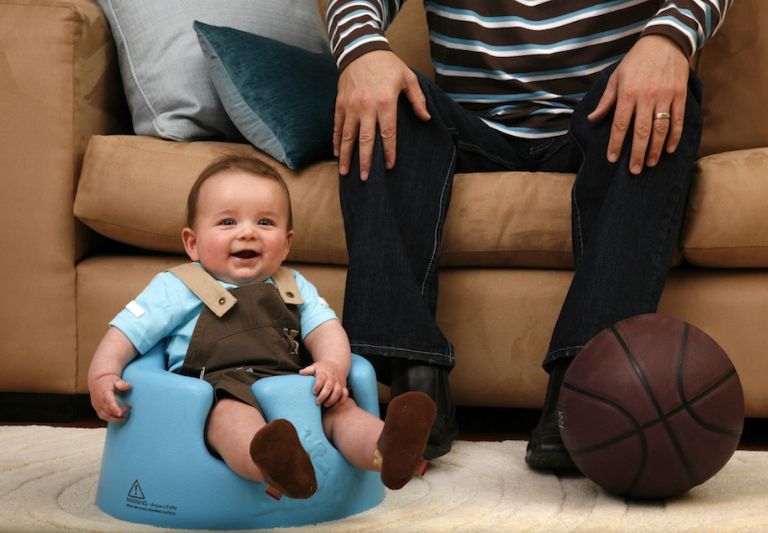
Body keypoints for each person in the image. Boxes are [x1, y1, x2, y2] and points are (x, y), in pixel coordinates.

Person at [325, 0, 731, 465]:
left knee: (666, 99)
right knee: (379, 92)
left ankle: (585, 385)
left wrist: (668, 40)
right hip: (471, 126)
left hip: (606, 116)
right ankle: (413, 380)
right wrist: (362, 51)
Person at [88, 156, 436, 498]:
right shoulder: (176, 287)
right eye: (227, 222)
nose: (248, 233)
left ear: (286, 244)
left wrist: (333, 367)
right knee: (230, 422)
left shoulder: (294, 285)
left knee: (341, 411)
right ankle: (276, 467)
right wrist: (103, 376)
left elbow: (327, 331)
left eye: (265, 223)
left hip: (295, 384)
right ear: (192, 243)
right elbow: (125, 334)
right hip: (221, 389)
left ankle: (387, 449)